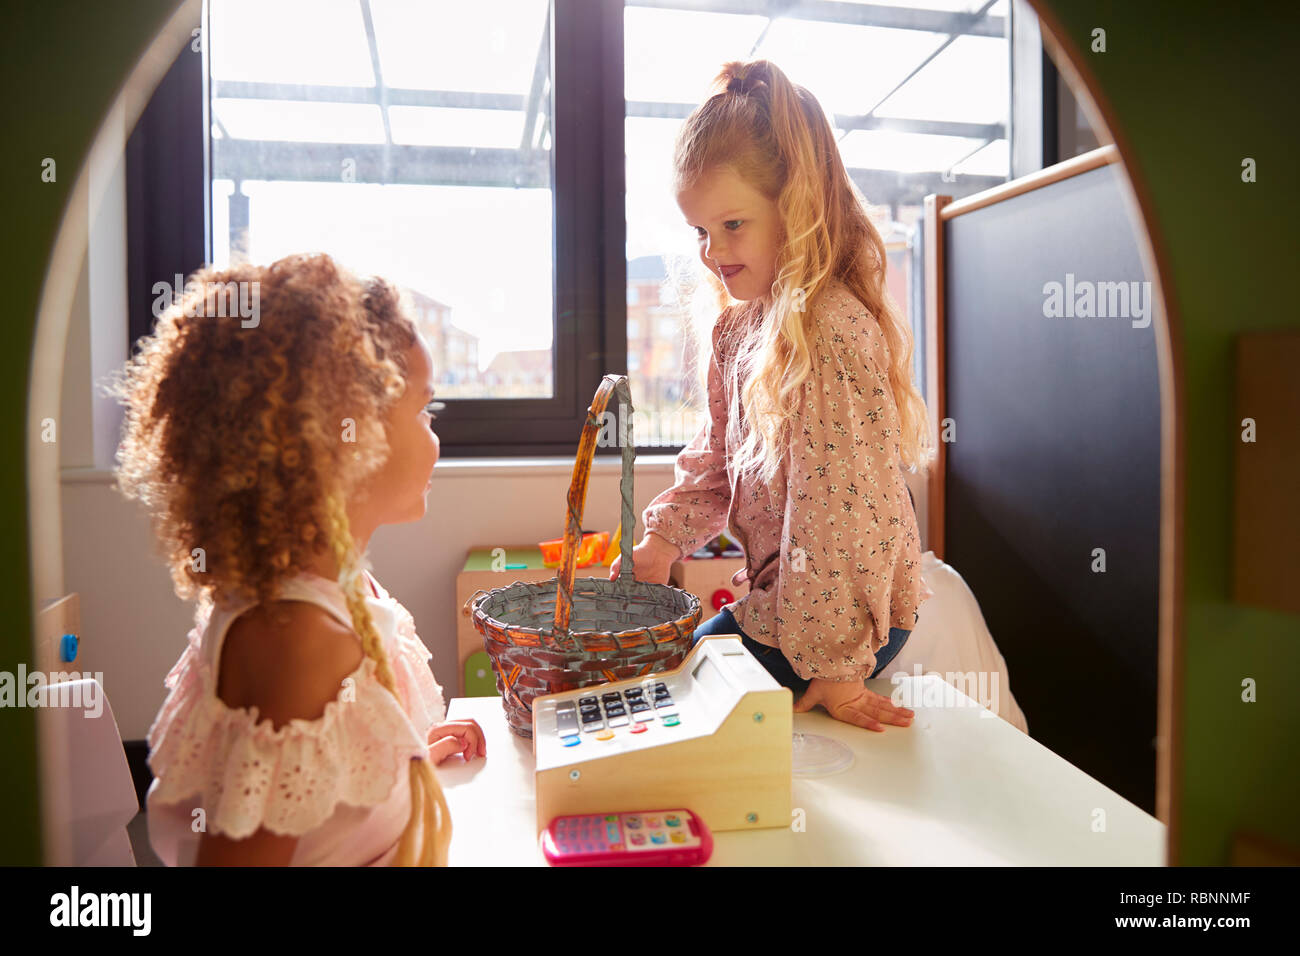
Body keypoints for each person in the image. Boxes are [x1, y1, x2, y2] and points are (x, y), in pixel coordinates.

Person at [109, 253, 484, 866]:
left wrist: (401, 757)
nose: (435, 435)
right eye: (423, 410)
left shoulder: (339, 589)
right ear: (345, 436)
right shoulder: (294, 640)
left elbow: (314, 797)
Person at [611, 60, 934, 733]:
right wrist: (663, 542)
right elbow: (716, 461)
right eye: (700, 231)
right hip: (791, 599)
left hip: (850, 612)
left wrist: (839, 669)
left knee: (684, 695)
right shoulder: (738, 328)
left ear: (797, 210)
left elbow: (850, 518)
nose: (711, 252)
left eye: (732, 225)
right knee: (676, 673)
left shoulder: (830, 331)